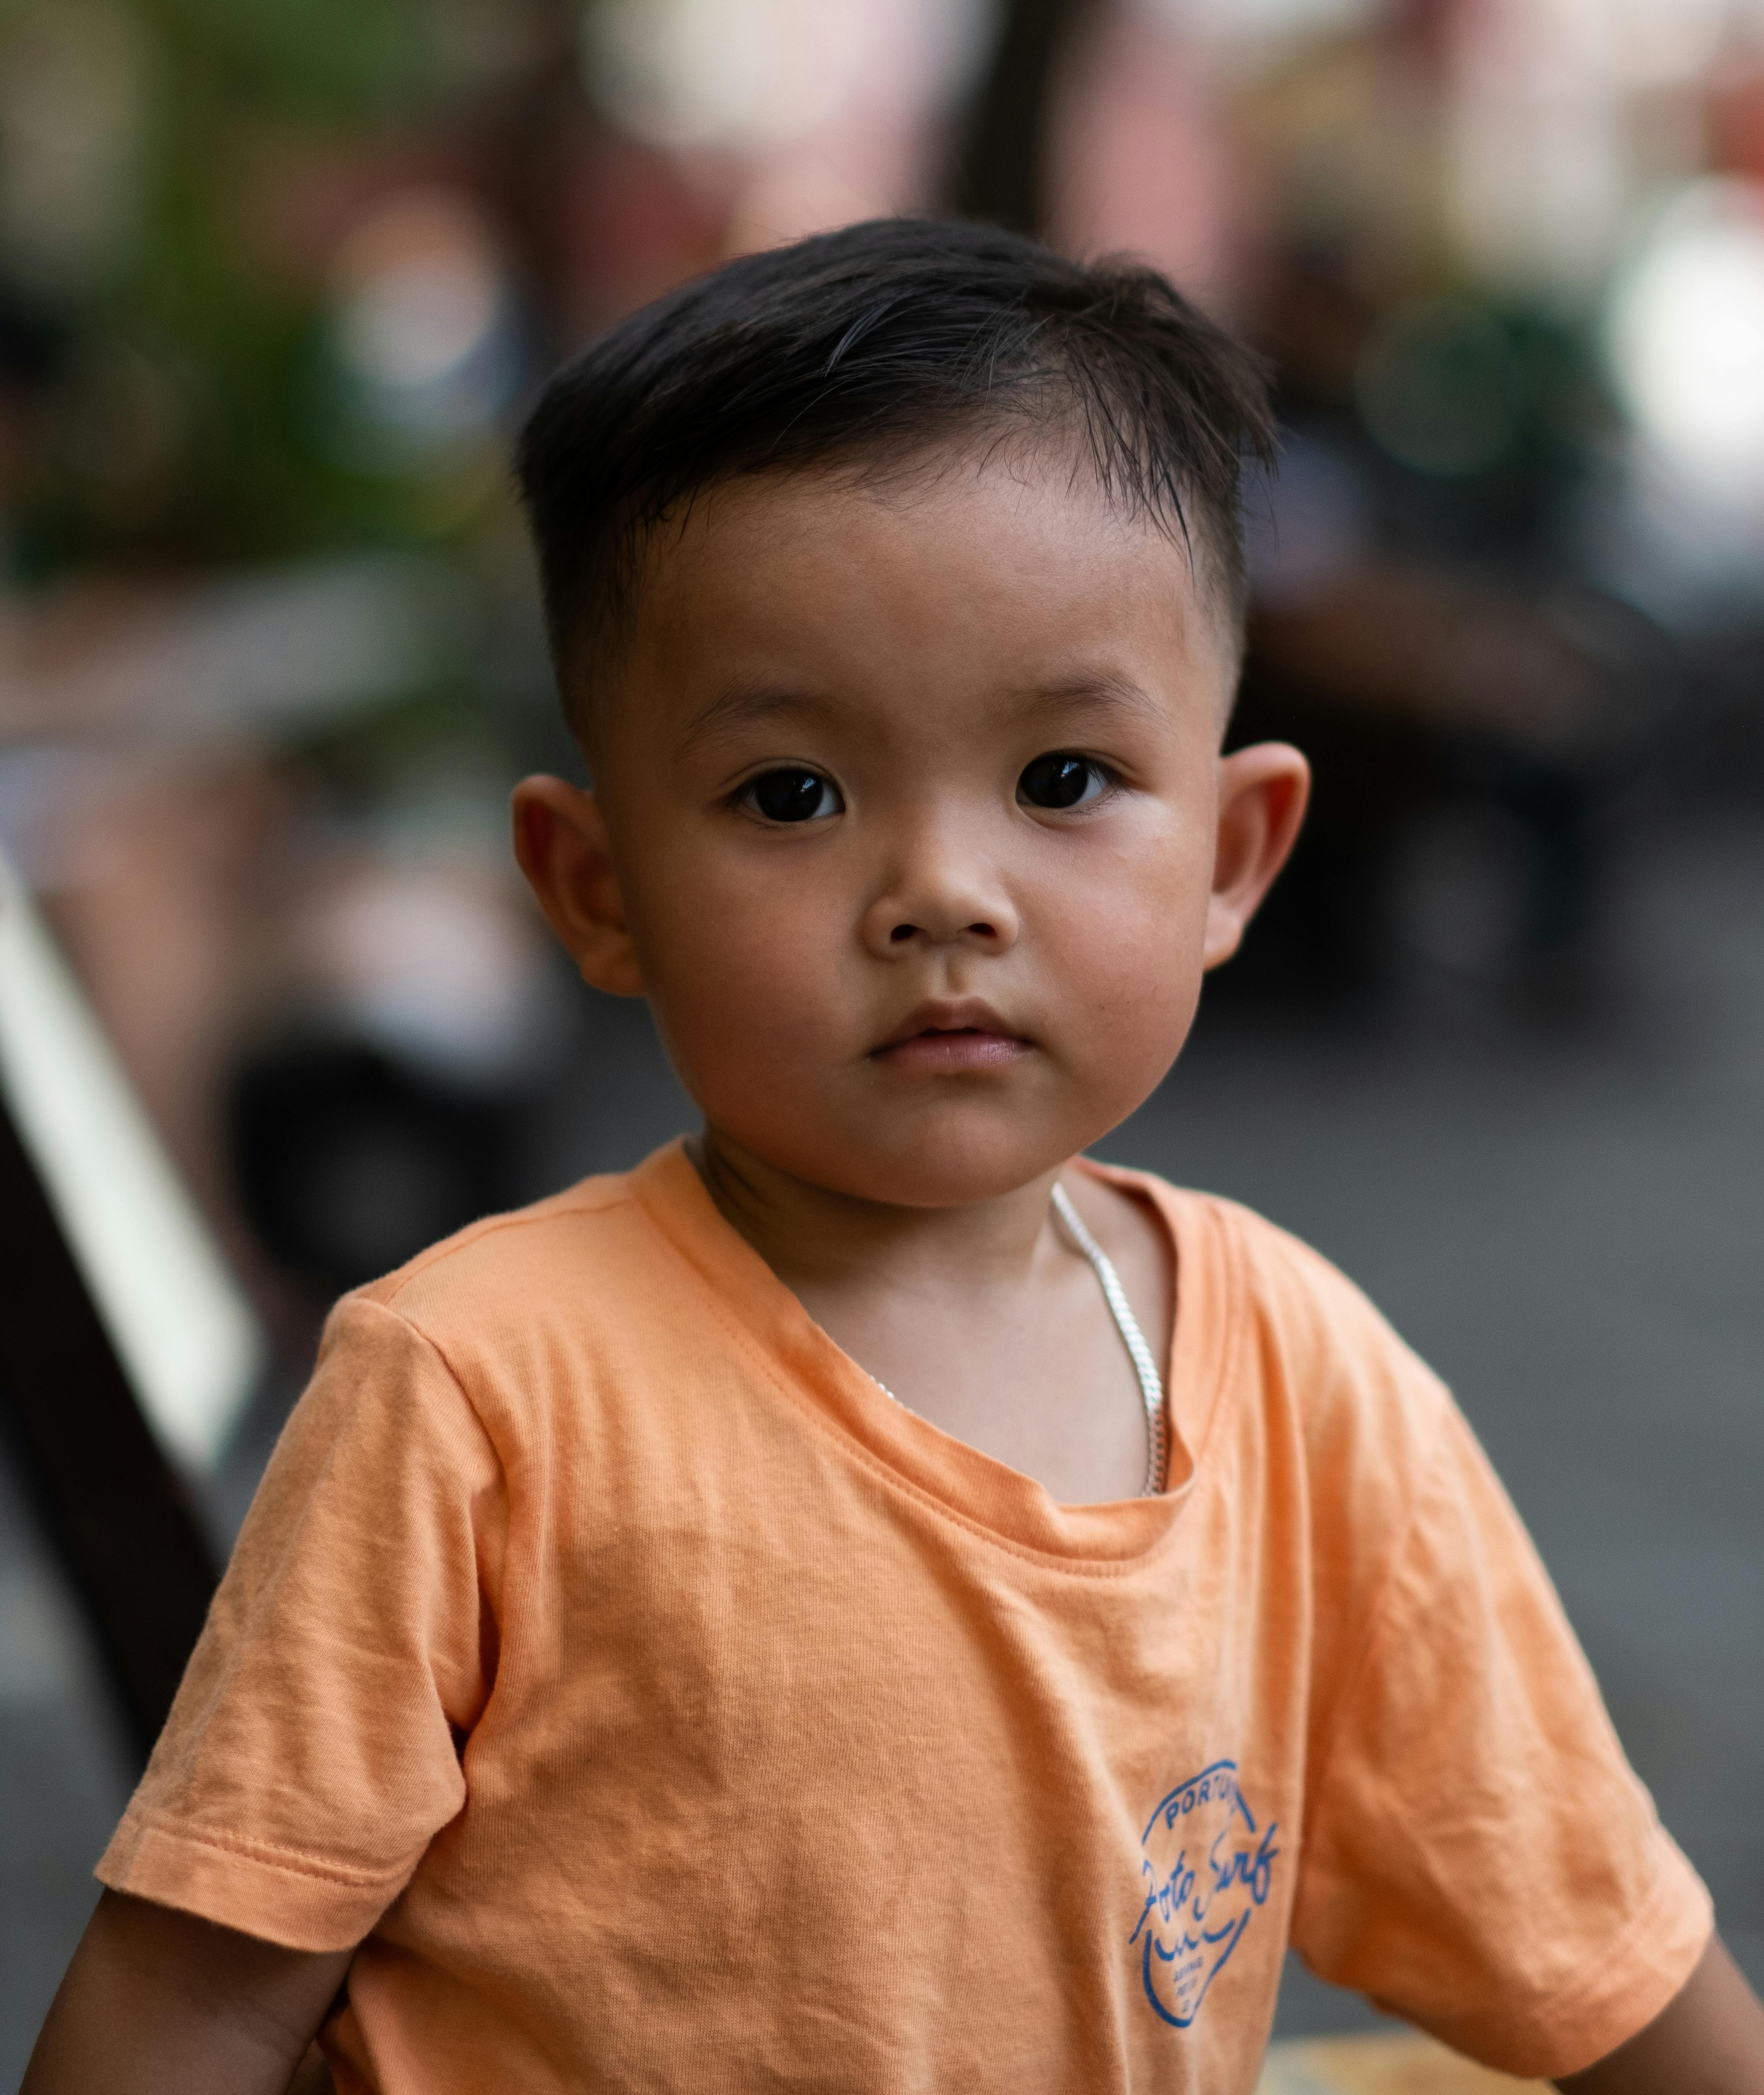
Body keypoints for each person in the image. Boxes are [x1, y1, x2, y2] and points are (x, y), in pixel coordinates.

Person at [23, 219, 1764, 2095]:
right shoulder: (480, 1392)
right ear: (595, 890)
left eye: (1062, 780)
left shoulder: (1303, 1384)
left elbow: (1601, 1957)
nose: (941, 890)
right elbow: (195, 1998)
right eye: (793, 795)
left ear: (1232, 856)